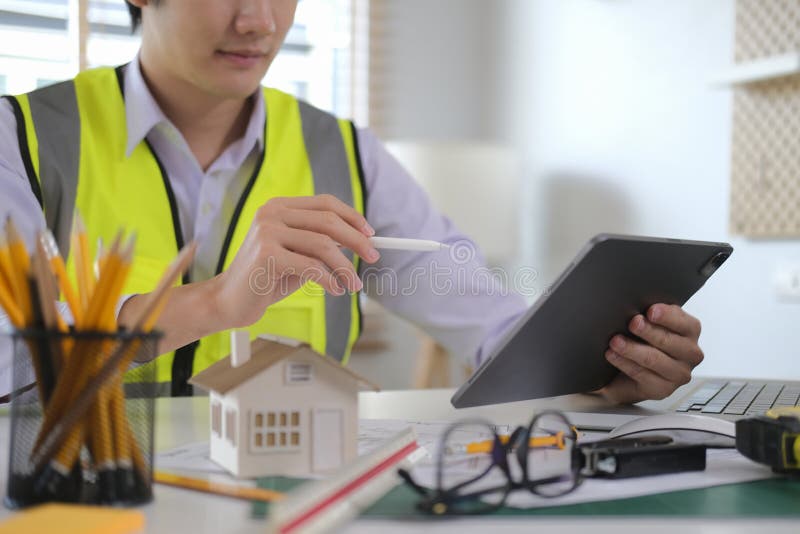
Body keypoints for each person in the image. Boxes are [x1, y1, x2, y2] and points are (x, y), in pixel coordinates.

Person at [0, 0, 704, 404]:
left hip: (297, 505)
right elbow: (13, 369)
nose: (260, 21)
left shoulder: (348, 153)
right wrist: (214, 305)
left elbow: (494, 330)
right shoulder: (22, 139)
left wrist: (610, 368)